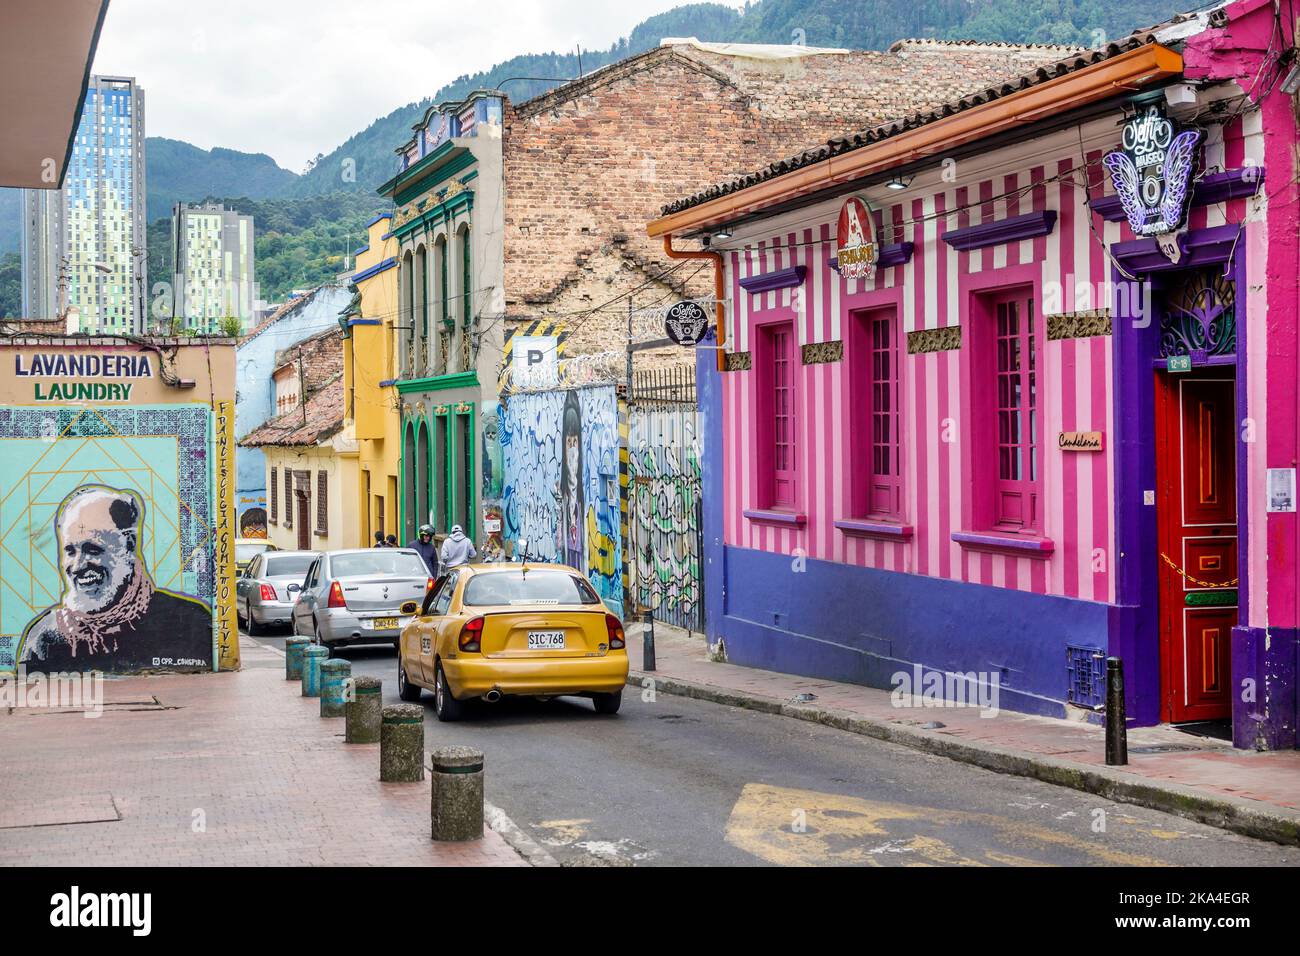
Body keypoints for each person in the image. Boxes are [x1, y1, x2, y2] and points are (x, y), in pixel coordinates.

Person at [20, 485, 212, 673]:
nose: (78, 565)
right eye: (70, 551)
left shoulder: (188, 623)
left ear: (129, 546)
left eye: (92, 550)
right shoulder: (44, 637)